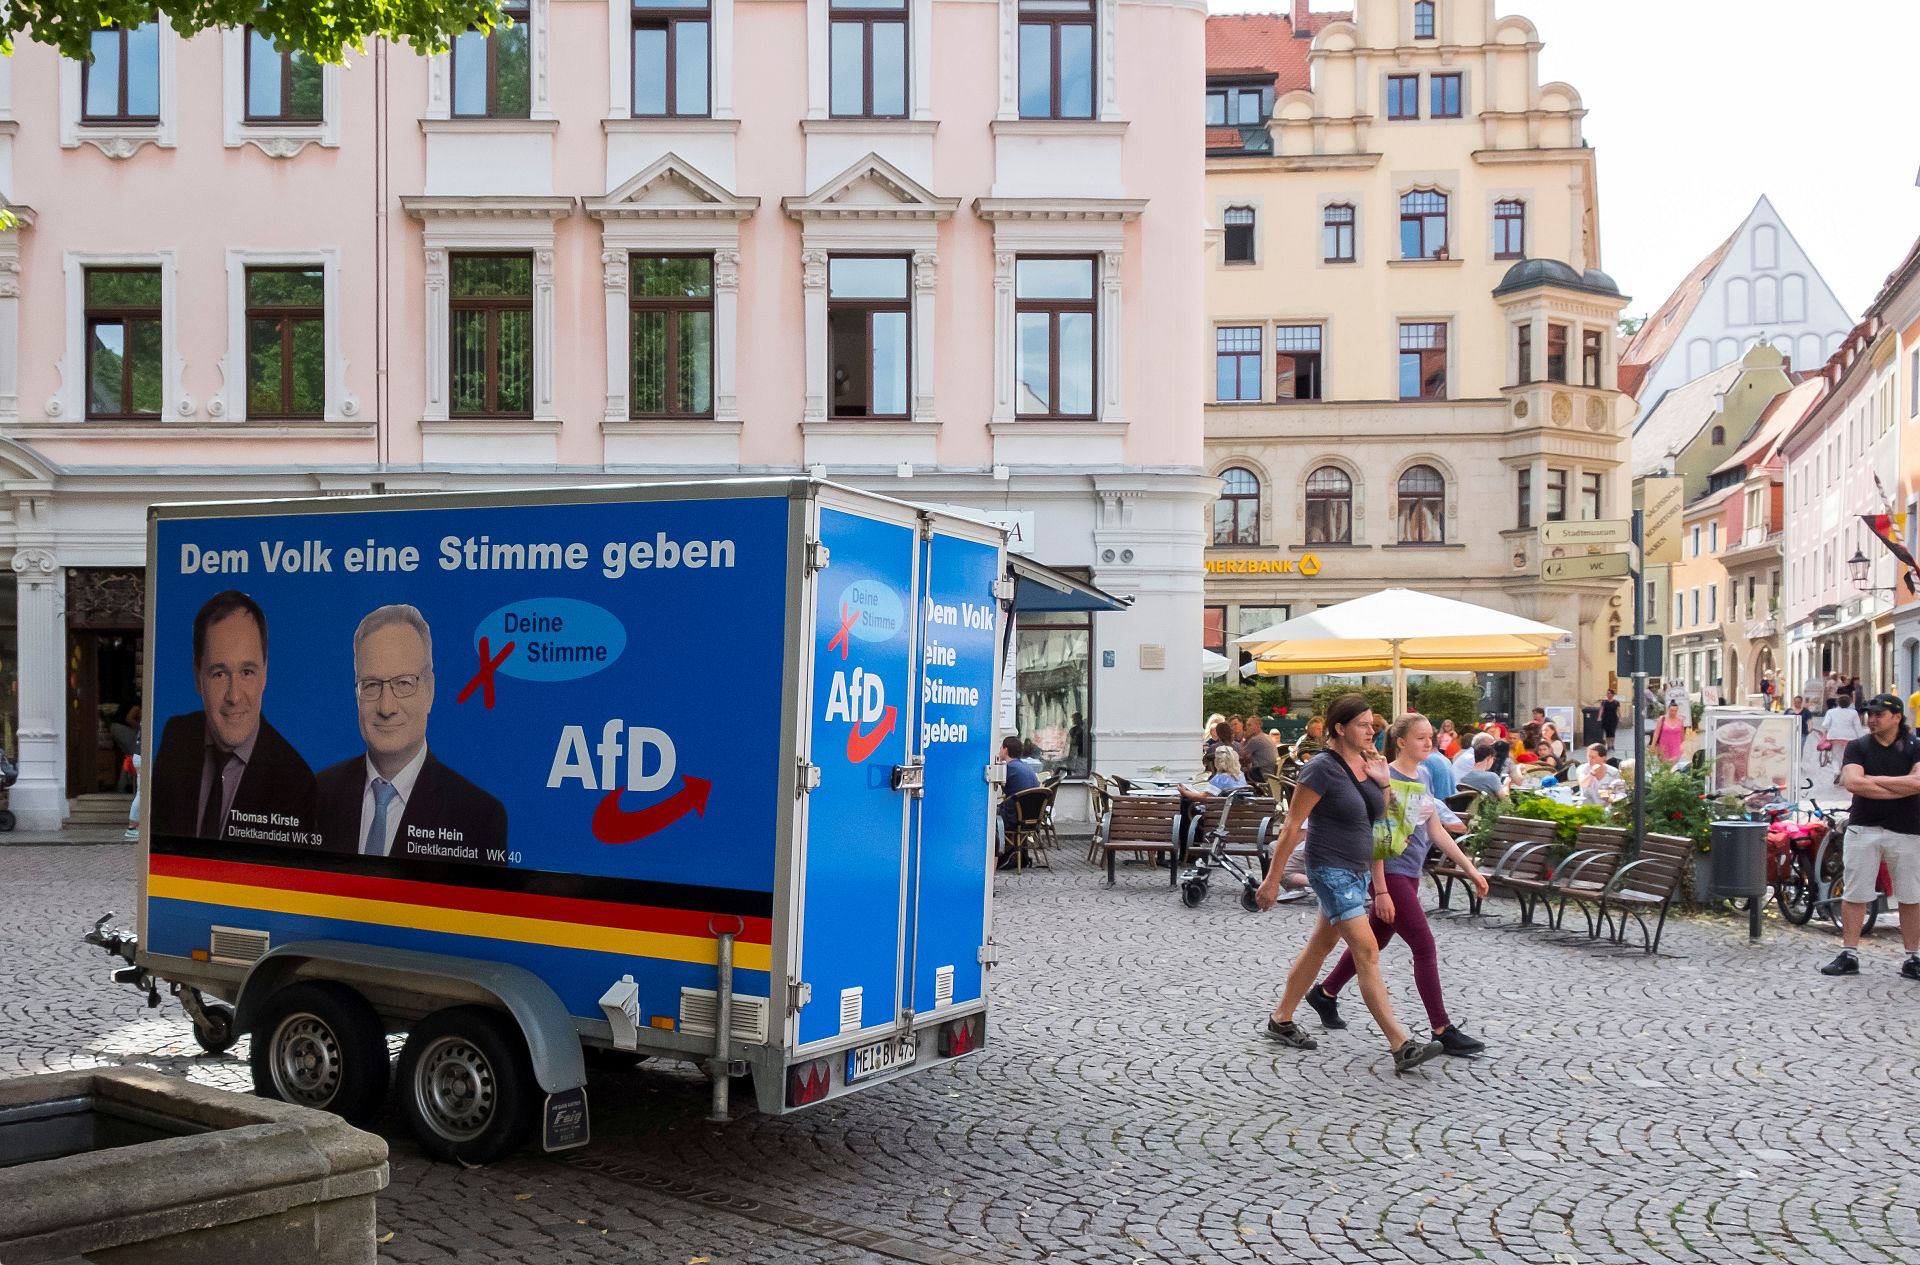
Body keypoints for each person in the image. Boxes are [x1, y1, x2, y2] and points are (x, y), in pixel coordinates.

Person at [1253, 693, 1444, 1074]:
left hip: (1356, 871)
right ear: (1340, 729)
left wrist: (1384, 782)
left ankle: (1281, 1018)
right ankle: (1400, 1043)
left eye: (1373, 724)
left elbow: (1383, 817)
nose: (1372, 730)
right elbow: (1293, 825)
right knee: (1368, 950)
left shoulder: (1367, 763)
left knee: (1319, 948)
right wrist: (1272, 880)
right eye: (1363, 724)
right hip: (1329, 869)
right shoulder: (1321, 769)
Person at [1306, 713, 1490, 1056]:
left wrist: (1471, 870)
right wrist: (1381, 890)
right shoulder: (1382, 775)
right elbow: (1376, 837)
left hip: (1411, 872)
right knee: (1424, 945)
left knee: (1376, 938)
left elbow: (1435, 830)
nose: (1429, 742)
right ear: (1401, 741)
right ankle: (1442, 1028)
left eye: (1431, 736)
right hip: (1390, 875)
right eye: (1421, 737)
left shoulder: (1424, 774)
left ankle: (1325, 993)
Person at [316, 604, 507, 861]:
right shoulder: (317, 794)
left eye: (403, 684)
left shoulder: (479, 816)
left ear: (429, 691)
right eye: (371, 685)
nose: (386, 707)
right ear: (356, 693)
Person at [150, 590, 317, 843]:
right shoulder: (177, 735)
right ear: (198, 678)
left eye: (247, 672)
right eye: (219, 673)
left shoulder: (296, 782)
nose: (234, 696)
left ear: (265, 674)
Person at [1821, 694, 1920, 980]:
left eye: (1878, 714)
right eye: (1869, 714)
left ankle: (1912, 957)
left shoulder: (1915, 747)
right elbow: (1853, 782)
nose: (1871, 719)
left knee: (1911, 895)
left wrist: (1873, 780)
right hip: (1863, 827)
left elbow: (1918, 782)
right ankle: (1849, 953)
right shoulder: (1858, 746)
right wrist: (1903, 786)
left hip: (1907, 829)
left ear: (1897, 717)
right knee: (1855, 892)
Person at [996, 734, 1040, 869]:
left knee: (988, 817)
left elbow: (996, 787)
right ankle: (1018, 854)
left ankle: (994, 856)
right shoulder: (1026, 767)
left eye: (1000, 747)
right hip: (1031, 817)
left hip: (1014, 817)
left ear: (1005, 750)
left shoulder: (1009, 769)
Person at [1821, 696, 1865, 768]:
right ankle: (1844, 769)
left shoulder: (1831, 712)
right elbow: (1857, 727)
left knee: (1835, 756)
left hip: (1835, 737)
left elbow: (1825, 725)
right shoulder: (1854, 713)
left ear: (1837, 703)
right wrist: (1862, 739)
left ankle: (1836, 771)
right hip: (1849, 738)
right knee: (1847, 756)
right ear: (1849, 703)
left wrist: (1827, 731)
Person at [1244, 718, 1279, 788]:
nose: (1246, 728)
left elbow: (1241, 756)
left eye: (1249, 725)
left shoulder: (1256, 739)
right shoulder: (1267, 737)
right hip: (1271, 773)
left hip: (1261, 774)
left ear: (1258, 726)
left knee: (1237, 776)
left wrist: (1245, 739)